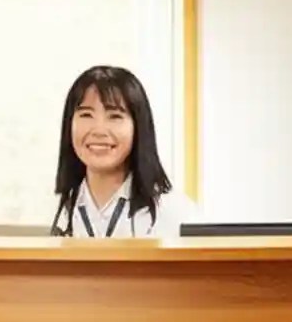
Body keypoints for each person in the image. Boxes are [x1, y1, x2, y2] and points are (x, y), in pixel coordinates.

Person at [50, 65, 197, 238]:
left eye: (115, 117)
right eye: (86, 115)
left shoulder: (173, 212)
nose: (99, 130)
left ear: (138, 127)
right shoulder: (53, 210)